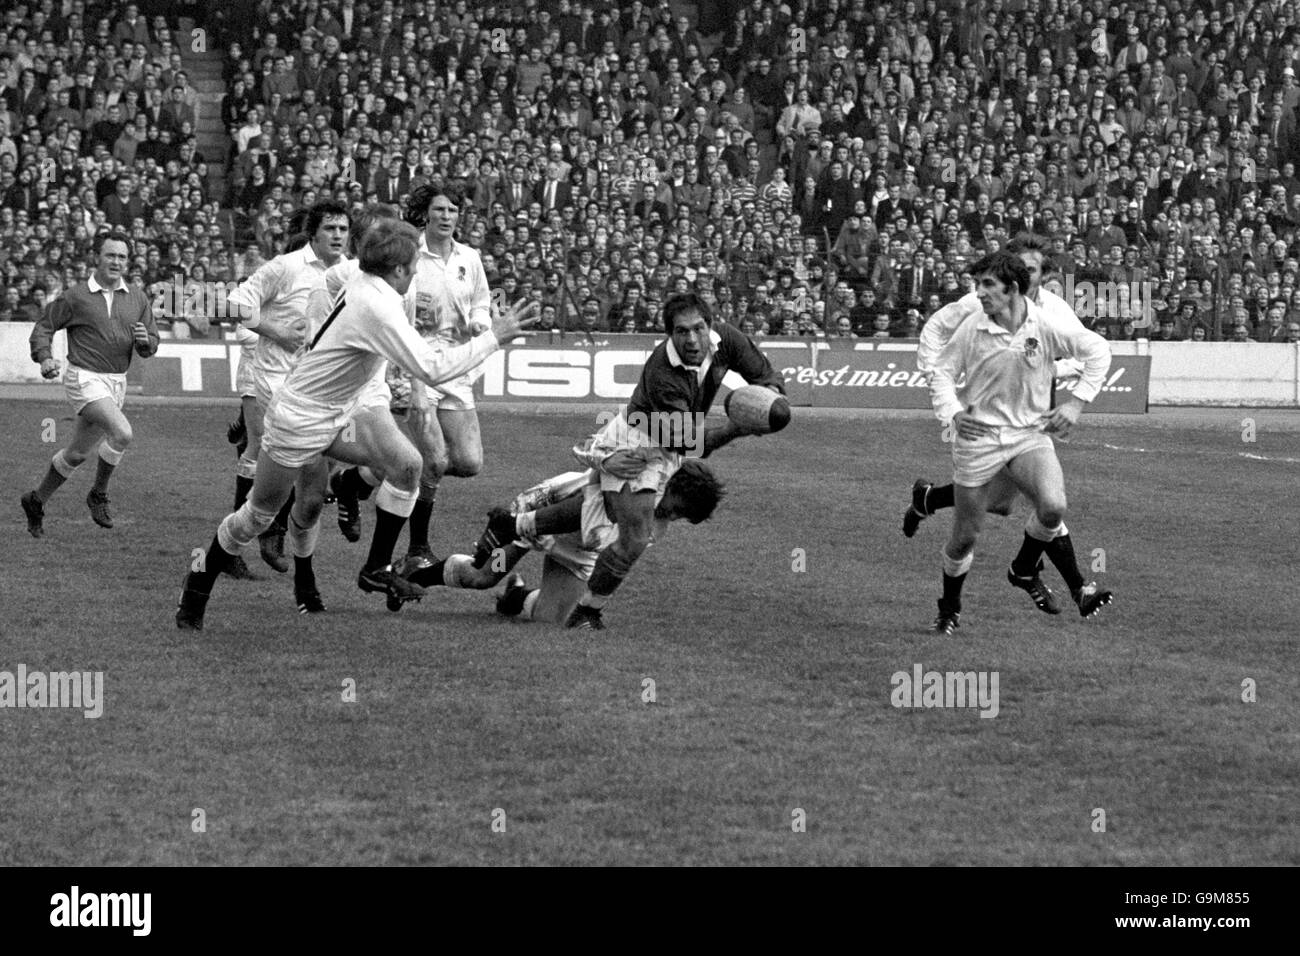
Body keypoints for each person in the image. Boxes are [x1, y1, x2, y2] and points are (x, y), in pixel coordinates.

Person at [176, 219, 537, 630]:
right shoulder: (377, 306)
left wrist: (319, 331)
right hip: (300, 416)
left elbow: (328, 280)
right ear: (398, 269)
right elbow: (433, 368)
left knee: (408, 465)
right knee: (257, 516)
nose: (418, 273)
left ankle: (375, 566)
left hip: (344, 407)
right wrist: (496, 336)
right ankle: (198, 582)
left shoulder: (358, 274)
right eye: (414, 266)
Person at [541, 292, 786, 630]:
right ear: (670, 334)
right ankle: (585, 609)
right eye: (681, 331)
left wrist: (772, 404)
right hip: (637, 439)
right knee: (634, 535)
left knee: (630, 529)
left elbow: (766, 376)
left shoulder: (727, 340)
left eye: (698, 328)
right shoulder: (663, 372)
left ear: (710, 326)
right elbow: (691, 442)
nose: (691, 338)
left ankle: (524, 529)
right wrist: (736, 428)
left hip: (670, 441)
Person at [926, 251, 1114, 634]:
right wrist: (953, 413)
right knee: (964, 538)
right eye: (978, 284)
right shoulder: (972, 327)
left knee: (1053, 507)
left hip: (1029, 434)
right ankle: (950, 607)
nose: (979, 292)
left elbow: (1098, 350)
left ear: (1012, 289)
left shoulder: (1045, 323)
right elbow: (942, 373)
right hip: (979, 440)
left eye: (988, 285)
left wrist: (1076, 404)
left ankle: (1023, 568)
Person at [332, 184, 494, 563]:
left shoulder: (468, 258)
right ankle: (416, 548)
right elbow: (395, 317)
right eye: (439, 209)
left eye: (453, 210)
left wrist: (479, 323)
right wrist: (416, 387)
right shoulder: (406, 255)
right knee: (433, 461)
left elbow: (483, 301)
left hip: (456, 367)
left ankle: (357, 479)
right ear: (425, 214)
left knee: (469, 462)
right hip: (414, 367)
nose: (446, 216)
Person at [902, 234, 1086, 538]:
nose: (1026, 274)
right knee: (1047, 501)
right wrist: (932, 372)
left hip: (1031, 410)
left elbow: (1082, 355)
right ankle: (1062, 581)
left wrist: (1051, 367)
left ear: (1044, 274)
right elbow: (936, 326)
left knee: (1001, 502)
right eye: (1021, 267)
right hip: (987, 408)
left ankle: (928, 498)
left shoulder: (1054, 309)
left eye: (1033, 269)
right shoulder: (979, 302)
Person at [400, 459, 724, 624]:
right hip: (543, 514)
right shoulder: (638, 484)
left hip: (579, 548)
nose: (673, 516)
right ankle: (417, 573)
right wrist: (530, 526)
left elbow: (614, 557)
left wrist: (593, 601)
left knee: (551, 618)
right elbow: (582, 506)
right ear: (674, 486)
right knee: (482, 576)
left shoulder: (656, 526)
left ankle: (515, 597)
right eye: (678, 508)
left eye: (681, 516)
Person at [226, 201, 350, 574]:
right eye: (330, 229)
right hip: (273, 377)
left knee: (314, 459)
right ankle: (265, 532)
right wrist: (277, 330)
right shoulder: (286, 266)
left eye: (344, 230)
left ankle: (258, 529)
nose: (338, 236)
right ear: (313, 232)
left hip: (316, 382)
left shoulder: (348, 272)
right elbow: (233, 304)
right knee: (282, 455)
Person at [22, 230, 159, 537]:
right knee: (122, 433)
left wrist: (145, 341)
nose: (117, 261)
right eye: (110, 255)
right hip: (84, 377)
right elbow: (44, 326)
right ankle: (98, 493)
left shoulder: (137, 297)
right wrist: (44, 357)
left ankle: (36, 499)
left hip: (115, 382)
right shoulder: (76, 296)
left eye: (122, 256)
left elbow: (151, 341)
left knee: (77, 454)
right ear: (96, 257)